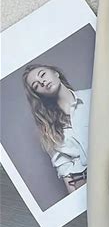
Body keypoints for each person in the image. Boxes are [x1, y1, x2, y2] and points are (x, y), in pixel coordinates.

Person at [23, 64, 91, 193]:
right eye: (36, 86)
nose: (42, 82)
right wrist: (75, 198)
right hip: (84, 182)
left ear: (55, 73)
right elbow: (64, 167)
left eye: (43, 74)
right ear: (38, 94)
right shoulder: (48, 127)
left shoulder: (92, 97)